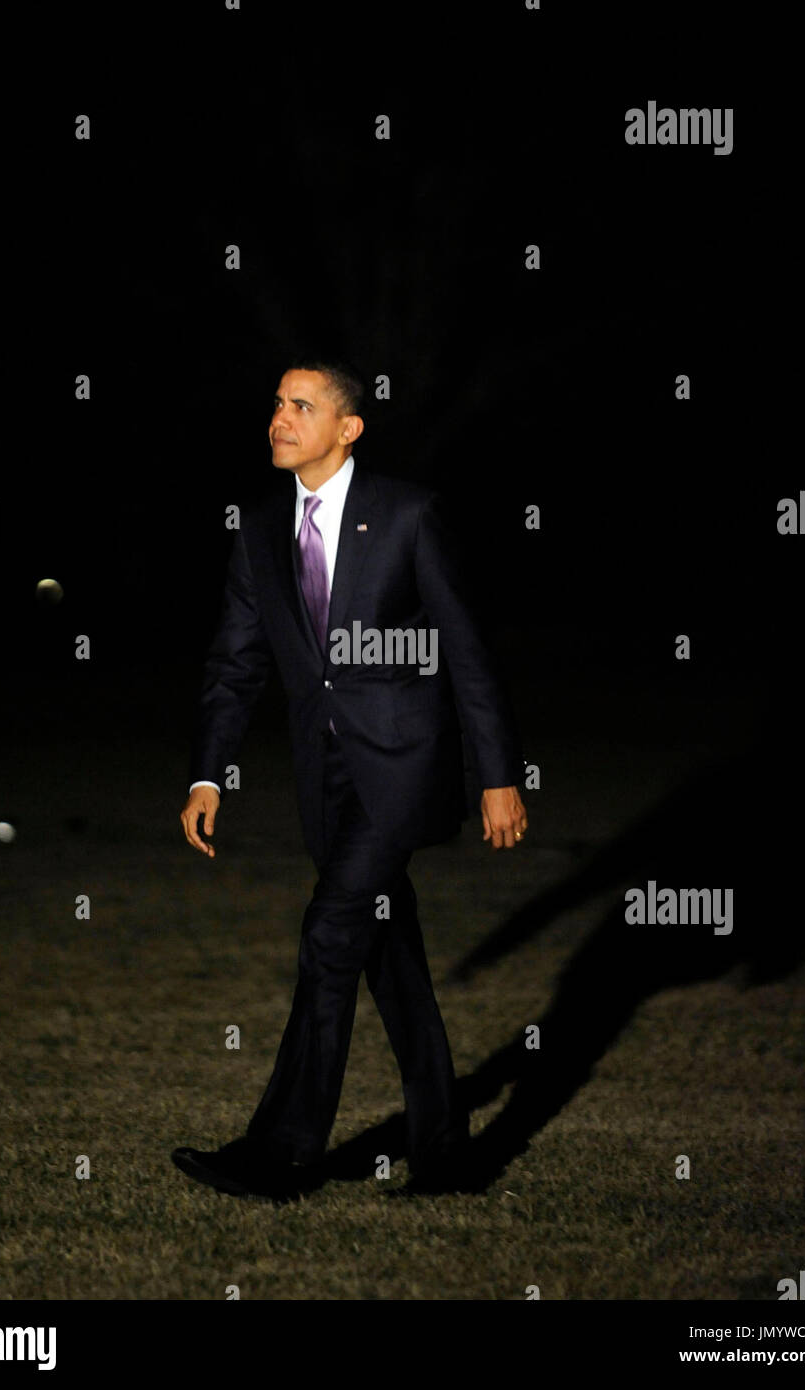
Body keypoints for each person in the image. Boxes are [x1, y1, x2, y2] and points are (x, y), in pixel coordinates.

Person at [173, 357, 527, 1199]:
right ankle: (445, 1154)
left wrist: (498, 773)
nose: (279, 418)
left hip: (401, 771)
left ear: (348, 427)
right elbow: (233, 666)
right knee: (387, 958)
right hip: (320, 779)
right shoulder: (259, 528)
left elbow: (467, 651)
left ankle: (279, 1154)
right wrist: (208, 779)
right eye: (275, 404)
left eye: (301, 405)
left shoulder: (407, 514)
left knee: (331, 937)